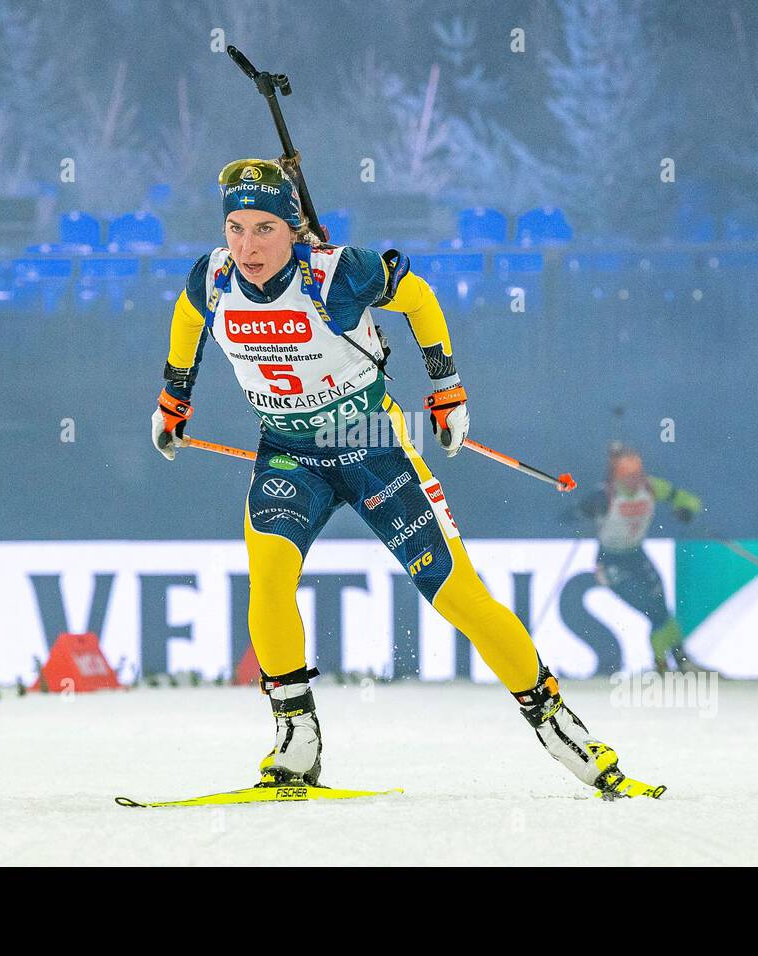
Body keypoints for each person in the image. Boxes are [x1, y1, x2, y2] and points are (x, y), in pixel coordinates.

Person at [152, 158, 656, 796]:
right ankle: (296, 734)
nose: (247, 246)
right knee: (269, 580)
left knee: (455, 594)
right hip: (288, 453)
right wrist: (174, 399)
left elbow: (417, 296)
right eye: (235, 227)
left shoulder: (338, 274)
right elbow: (187, 317)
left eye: (263, 229)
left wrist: (446, 388)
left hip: (372, 446)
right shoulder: (215, 276)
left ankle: (558, 725)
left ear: (292, 228)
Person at [573, 442, 708, 673]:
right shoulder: (605, 494)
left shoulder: (651, 487)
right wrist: (583, 511)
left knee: (661, 609)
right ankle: (667, 664)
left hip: (637, 555)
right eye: (628, 476)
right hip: (610, 562)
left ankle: (676, 661)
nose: (634, 480)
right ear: (617, 476)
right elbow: (572, 514)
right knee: (654, 612)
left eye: (637, 474)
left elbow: (691, 501)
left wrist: (685, 510)